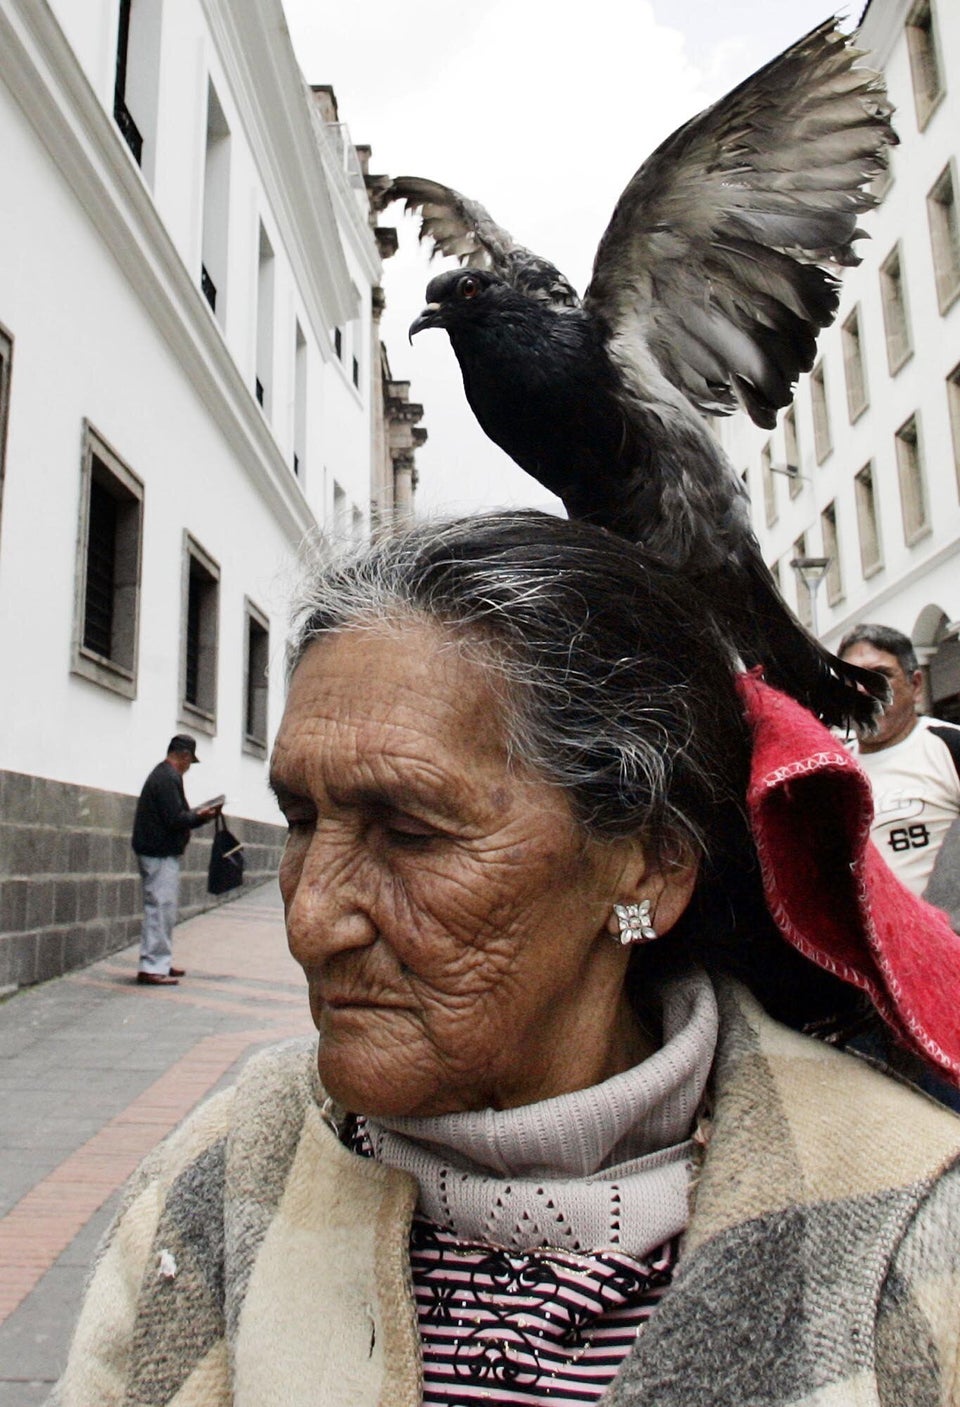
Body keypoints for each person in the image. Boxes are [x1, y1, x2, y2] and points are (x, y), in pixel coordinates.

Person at [53, 515, 960, 1406]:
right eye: (300, 822)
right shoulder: (224, 1173)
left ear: (649, 861)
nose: (311, 921)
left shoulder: (904, 1217)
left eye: (409, 832)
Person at [839, 623, 960, 925]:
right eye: (851, 680)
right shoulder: (833, 769)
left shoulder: (950, 747)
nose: (864, 690)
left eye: (881, 675)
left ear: (916, 684)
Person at [130, 734, 221, 986]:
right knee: (160, 908)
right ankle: (152, 966)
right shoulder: (168, 778)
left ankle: (160, 961)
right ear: (183, 756)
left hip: (158, 850)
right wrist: (202, 816)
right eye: (189, 761)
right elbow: (175, 819)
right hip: (159, 852)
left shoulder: (164, 775)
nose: (189, 766)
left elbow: (174, 816)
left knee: (163, 908)